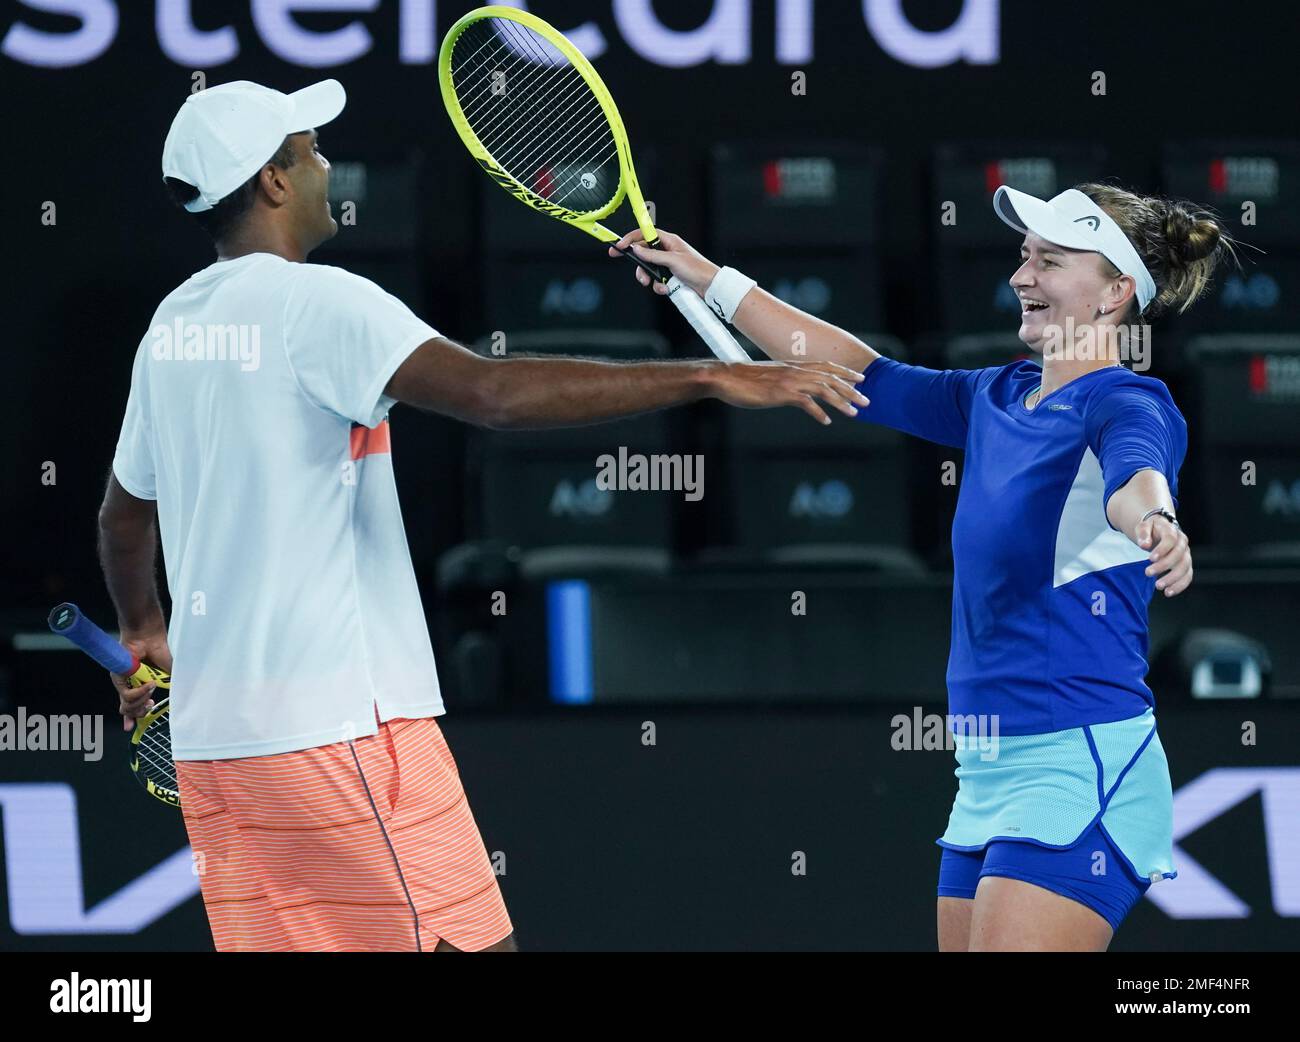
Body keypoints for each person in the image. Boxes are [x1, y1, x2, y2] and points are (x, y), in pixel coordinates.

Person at [98, 78, 868, 953]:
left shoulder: (173, 328)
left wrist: (145, 631)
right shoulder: (321, 302)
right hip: (341, 732)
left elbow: (123, 517)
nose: (326, 166)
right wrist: (707, 376)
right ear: (274, 182)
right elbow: (493, 393)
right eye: (309, 153)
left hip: (218, 749)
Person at [613, 181, 1236, 951]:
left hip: (1081, 764)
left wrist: (1155, 520)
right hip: (986, 771)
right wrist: (707, 278)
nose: (1022, 276)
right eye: (1023, 256)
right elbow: (857, 372)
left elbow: (1134, 476)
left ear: (1113, 293)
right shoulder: (993, 397)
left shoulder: (1128, 403)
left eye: (1051, 260)